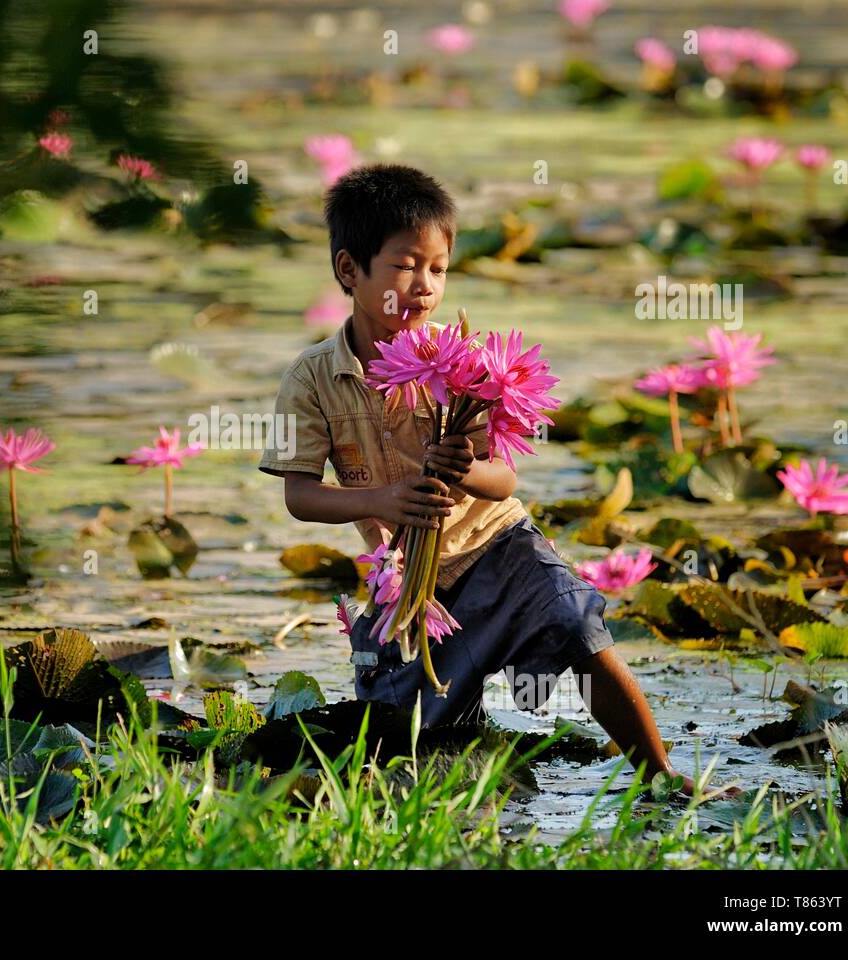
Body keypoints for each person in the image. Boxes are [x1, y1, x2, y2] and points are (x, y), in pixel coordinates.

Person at [258, 162, 742, 800]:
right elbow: (300, 494)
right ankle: (461, 729)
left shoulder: (463, 362)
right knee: (406, 731)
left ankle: (662, 776)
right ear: (350, 271)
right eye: (405, 266)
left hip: (495, 542)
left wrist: (467, 471)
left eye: (438, 268)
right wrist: (382, 500)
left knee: (577, 627)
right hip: (408, 576)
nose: (425, 287)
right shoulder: (311, 378)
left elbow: (504, 476)